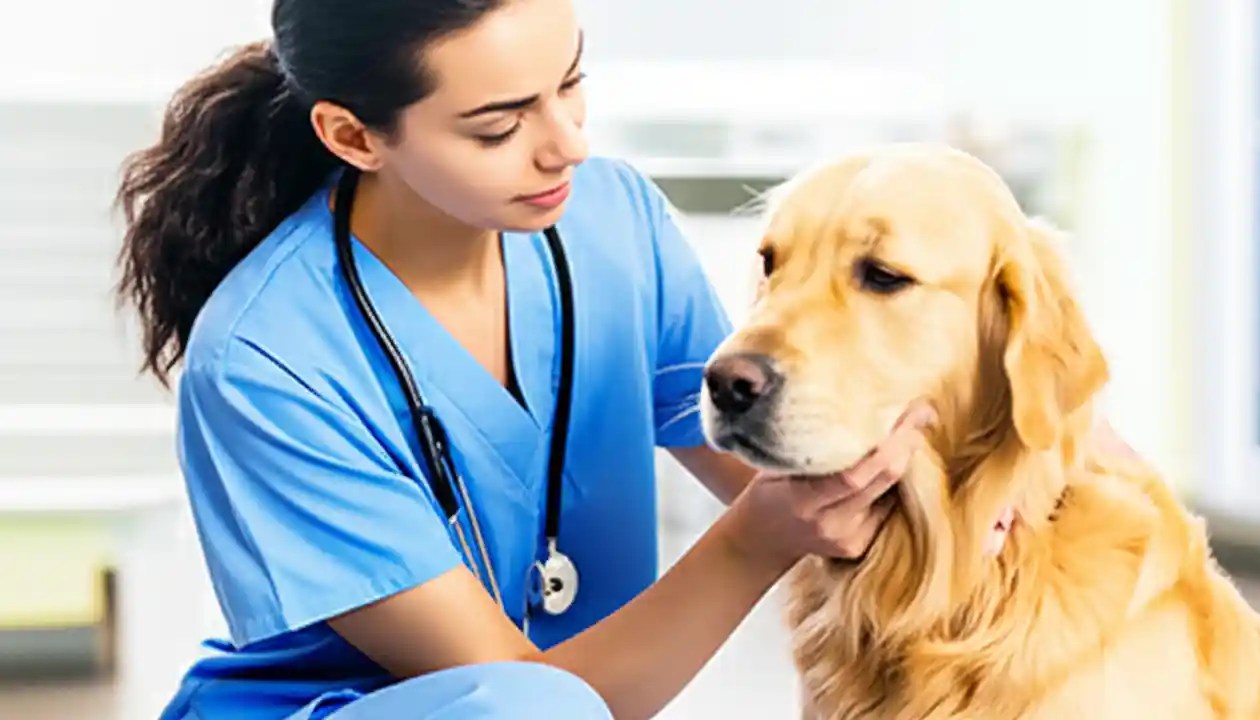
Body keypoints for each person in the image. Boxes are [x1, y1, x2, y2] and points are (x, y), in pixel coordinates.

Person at [112, 1, 1129, 718]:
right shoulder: (265, 362)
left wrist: (1050, 455)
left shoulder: (607, 221)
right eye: (501, 124)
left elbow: (788, 447)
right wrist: (750, 542)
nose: (566, 145)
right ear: (352, 134)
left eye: (570, 83)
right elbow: (519, 693)